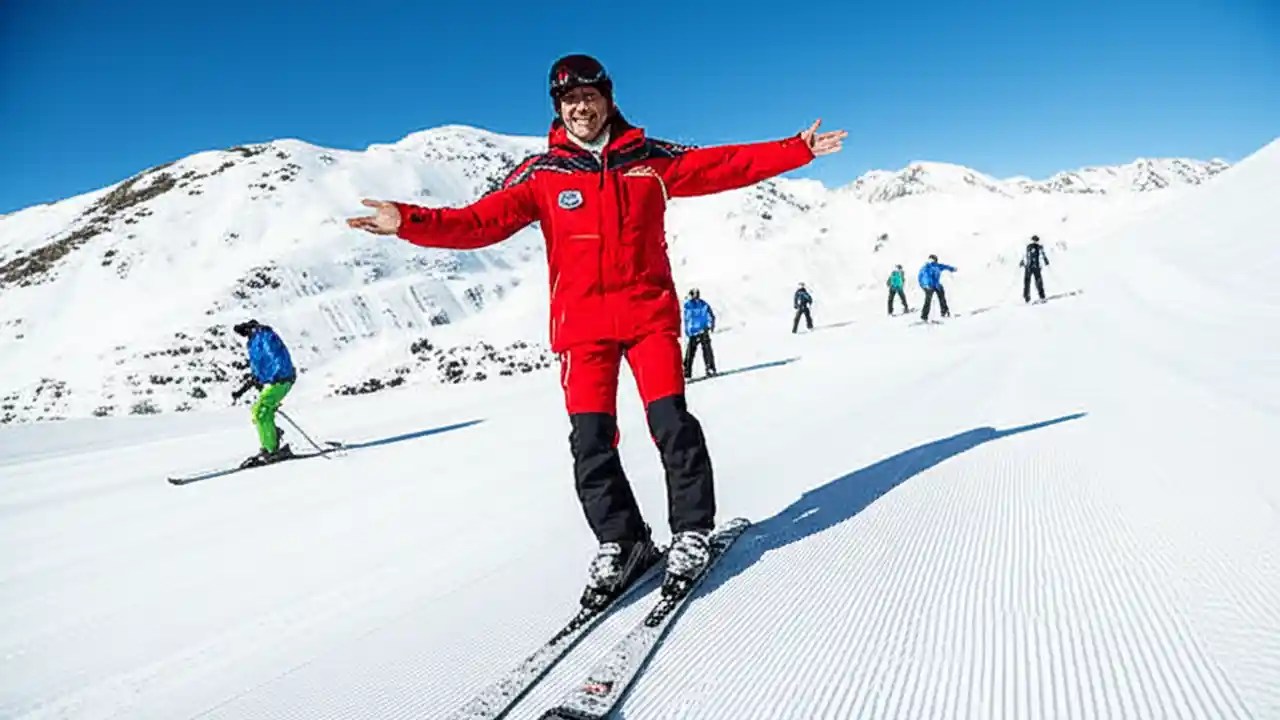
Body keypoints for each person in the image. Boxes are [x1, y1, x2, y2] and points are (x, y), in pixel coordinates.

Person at [345, 54, 846, 605]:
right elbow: (478, 223)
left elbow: (719, 165)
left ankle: (692, 533)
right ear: (559, 110)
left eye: (589, 96)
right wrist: (409, 221)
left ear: (608, 99)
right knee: (590, 442)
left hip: (648, 319)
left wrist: (794, 150)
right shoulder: (541, 175)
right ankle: (623, 541)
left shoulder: (650, 160)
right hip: (582, 331)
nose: (581, 107)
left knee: (671, 423)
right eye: (569, 101)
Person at [230, 320, 296, 467]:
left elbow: (277, 355)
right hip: (274, 381)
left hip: (281, 379)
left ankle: (272, 450)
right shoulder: (253, 342)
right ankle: (270, 442)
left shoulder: (264, 336)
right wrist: (241, 391)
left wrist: (277, 374)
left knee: (261, 411)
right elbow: (257, 370)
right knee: (257, 412)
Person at [682, 289, 717, 379]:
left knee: (707, 350)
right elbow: (686, 319)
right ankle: (686, 372)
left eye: (697, 294)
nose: (696, 296)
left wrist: (710, 325)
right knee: (690, 352)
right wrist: (688, 331)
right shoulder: (688, 305)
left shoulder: (703, 304)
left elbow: (711, 315)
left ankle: (710, 368)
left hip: (703, 330)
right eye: (695, 294)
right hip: (693, 331)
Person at [917, 255, 957, 321]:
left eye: (933, 259)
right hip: (929, 286)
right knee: (928, 300)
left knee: (942, 298)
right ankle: (924, 316)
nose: (932, 261)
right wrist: (925, 285)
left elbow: (945, 266)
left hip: (936, 285)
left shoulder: (937, 266)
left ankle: (944, 311)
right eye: (931, 259)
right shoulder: (926, 267)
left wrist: (952, 269)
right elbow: (922, 277)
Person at [1020, 234, 1050, 303]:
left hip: (1028, 267)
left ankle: (1026, 297)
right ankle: (1042, 296)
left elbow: (1025, 256)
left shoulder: (1028, 247)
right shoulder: (1039, 247)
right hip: (1036, 267)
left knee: (1027, 282)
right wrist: (1046, 261)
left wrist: (1022, 262)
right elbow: (1042, 255)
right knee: (1038, 281)